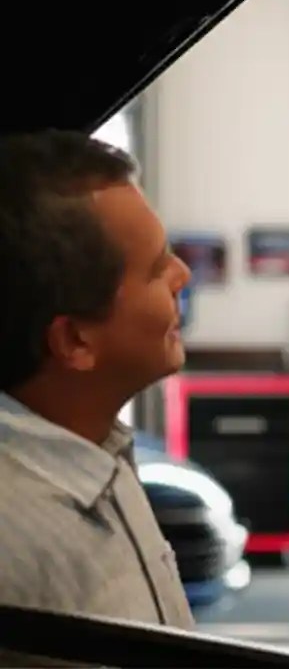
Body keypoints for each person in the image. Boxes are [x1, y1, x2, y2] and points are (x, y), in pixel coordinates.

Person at [0, 130, 196, 633]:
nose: (183, 275)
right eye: (157, 269)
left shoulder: (97, 455)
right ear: (75, 342)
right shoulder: (12, 547)